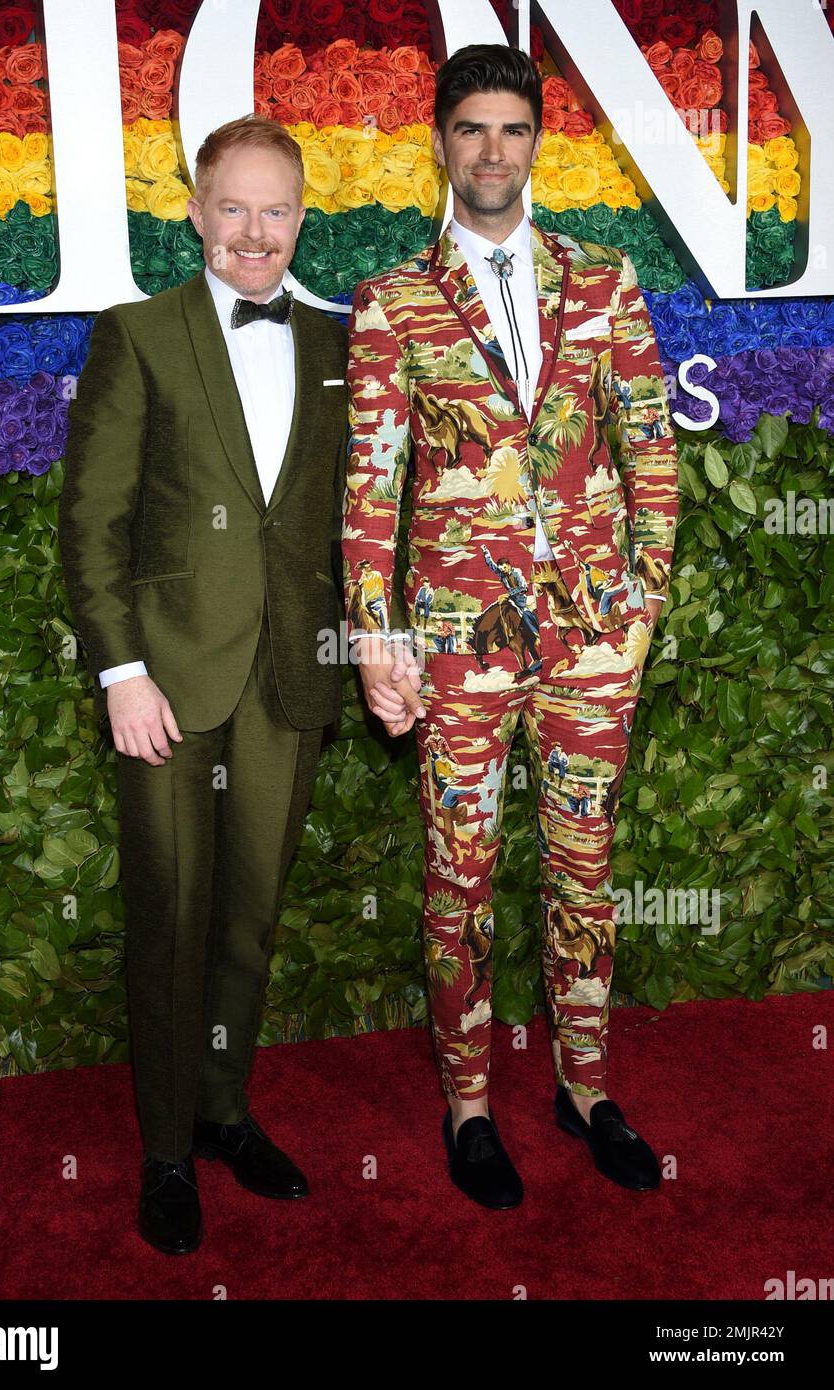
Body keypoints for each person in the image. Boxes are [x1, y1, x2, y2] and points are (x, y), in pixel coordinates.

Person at [343, 45, 678, 1209]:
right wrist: (378, 638)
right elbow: (369, 488)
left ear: (541, 144)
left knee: (587, 873)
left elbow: (652, 449)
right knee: (460, 877)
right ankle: (471, 1106)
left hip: (594, 644)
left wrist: (639, 602)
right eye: (473, 130)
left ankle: (586, 1088)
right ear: (440, 143)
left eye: (514, 130)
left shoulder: (607, 279)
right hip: (457, 649)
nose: (493, 151)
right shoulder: (391, 300)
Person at [59, 115, 349, 1255]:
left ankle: (227, 1111)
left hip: (289, 679)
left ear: (301, 219)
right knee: (170, 919)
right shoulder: (138, 333)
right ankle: (166, 1149)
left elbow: (353, 517)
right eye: (234, 206)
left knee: (250, 919)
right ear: (193, 210)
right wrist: (121, 672)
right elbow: (94, 521)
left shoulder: (336, 341)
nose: (256, 231)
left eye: (277, 210)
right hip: (167, 686)